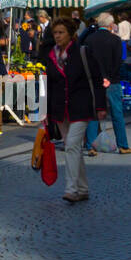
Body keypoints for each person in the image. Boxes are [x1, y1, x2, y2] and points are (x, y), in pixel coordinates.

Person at [39, 18, 107, 203]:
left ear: (70, 33)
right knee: (74, 148)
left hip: (80, 106)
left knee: (71, 146)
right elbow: (50, 84)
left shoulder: (82, 52)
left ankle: (71, 189)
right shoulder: (51, 55)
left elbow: (97, 79)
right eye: (55, 33)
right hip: (60, 108)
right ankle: (83, 188)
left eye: (61, 32)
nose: (58, 36)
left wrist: (100, 106)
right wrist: (46, 111)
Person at [83, 12, 131, 155]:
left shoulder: (90, 39)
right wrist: (109, 78)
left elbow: (86, 60)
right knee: (117, 112)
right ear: (111, 25)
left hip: (94, 81)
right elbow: (118, 61)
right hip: (112, 81)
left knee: (93, 113)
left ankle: (90, 146)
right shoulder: (115, 40)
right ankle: (123, 145)